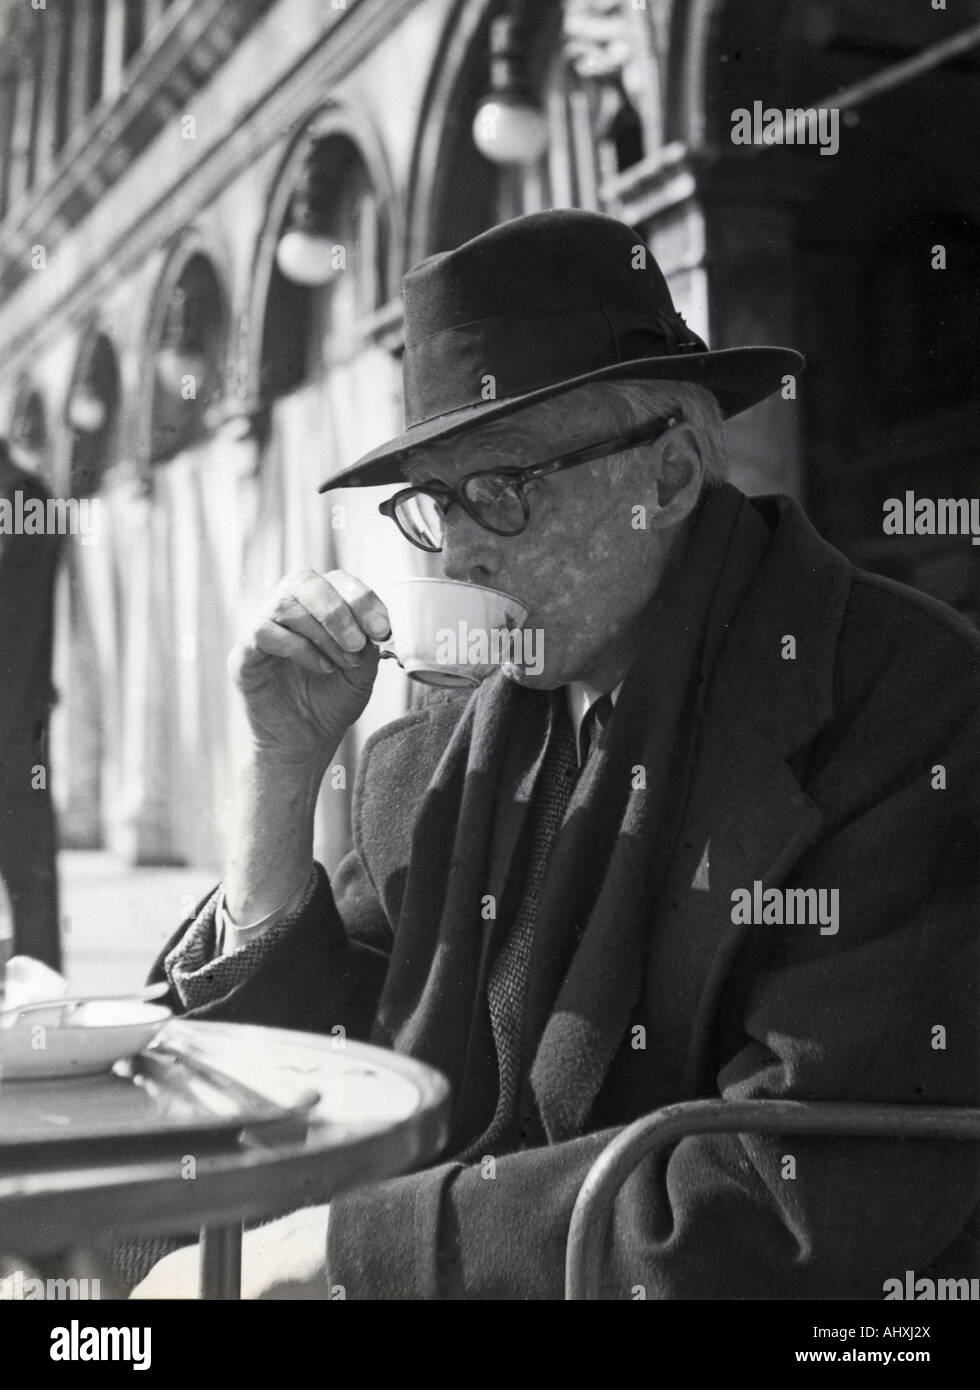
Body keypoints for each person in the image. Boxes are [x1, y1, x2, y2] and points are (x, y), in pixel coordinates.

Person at [134, 210, 979, 1300]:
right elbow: (316, 1067)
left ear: (667, 478)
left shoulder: (896, 700)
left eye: (500, 488)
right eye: (435, 502)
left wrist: (350, 1253)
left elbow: (797, 1195)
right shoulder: (434, 749)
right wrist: (280, 772)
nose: (465, 546)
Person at [0, 437, 61, 973]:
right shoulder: (29, 494)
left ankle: (38, 986)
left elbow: (19, 623)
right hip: (21, 707)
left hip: (14, 713)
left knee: (27, 858)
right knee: (28, 856)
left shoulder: (24, 498)